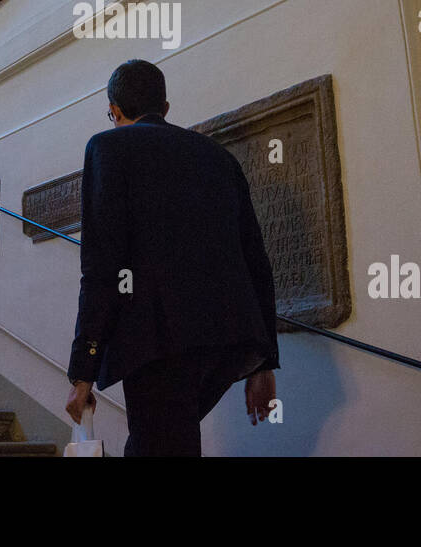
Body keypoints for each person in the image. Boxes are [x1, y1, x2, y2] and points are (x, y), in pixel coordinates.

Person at [65, 59, 280, 456]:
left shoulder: (107, 147)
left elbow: (102, 268)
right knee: (162, 441)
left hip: (155, 342)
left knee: (159, 441)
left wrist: (83, 372)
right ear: (165, 108)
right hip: (227, 343)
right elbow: (256, 260)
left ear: (114, 111)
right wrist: (263, 362)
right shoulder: (219, 157)